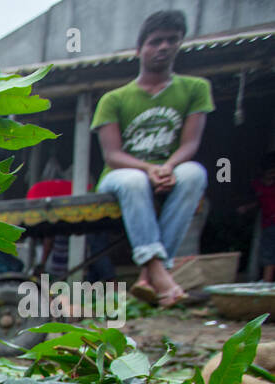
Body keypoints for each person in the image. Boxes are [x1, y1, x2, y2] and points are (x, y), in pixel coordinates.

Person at [93, 9, 212, 308]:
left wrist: (168, 168)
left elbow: (191, 143)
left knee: (195, 173)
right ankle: (159, 273)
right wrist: (149, 170)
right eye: (156, 41)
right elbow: (113, 155)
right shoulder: (114, 99)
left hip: (172, 170)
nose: (163, 47)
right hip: (122, 175)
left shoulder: (196, 89)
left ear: (180, 44)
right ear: (139, 48)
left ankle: (152, 272)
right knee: (134, 181)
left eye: (171, 41)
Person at [239, 151, 275, 282]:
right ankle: (267, 282)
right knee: (268, 252)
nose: (271, 177)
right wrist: (246, 208)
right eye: (269, 173)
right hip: (268, 224)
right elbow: (259, 201)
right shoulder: (258, 185)